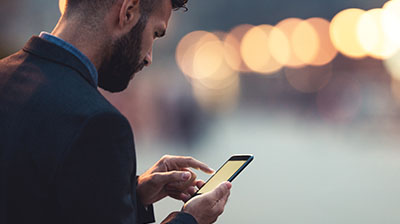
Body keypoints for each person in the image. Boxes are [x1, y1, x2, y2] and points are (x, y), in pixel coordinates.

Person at [0, 0, 232, 223]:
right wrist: (190, 220)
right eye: (155, 34)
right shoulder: (99, 123)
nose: (149, 57)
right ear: (128, 11)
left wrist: (130, 194)